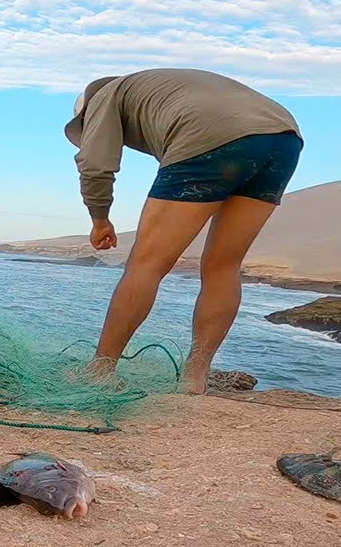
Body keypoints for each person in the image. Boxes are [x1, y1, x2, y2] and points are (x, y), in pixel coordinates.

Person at [64, 68, 303, 393]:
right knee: (223, 265)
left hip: (209, 135)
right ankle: (195, 378)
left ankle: (101, 370)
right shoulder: (159, 88)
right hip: (283, 138)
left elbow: (95, 164)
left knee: (146, 264)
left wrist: (100, 219)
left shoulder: (105, 96)